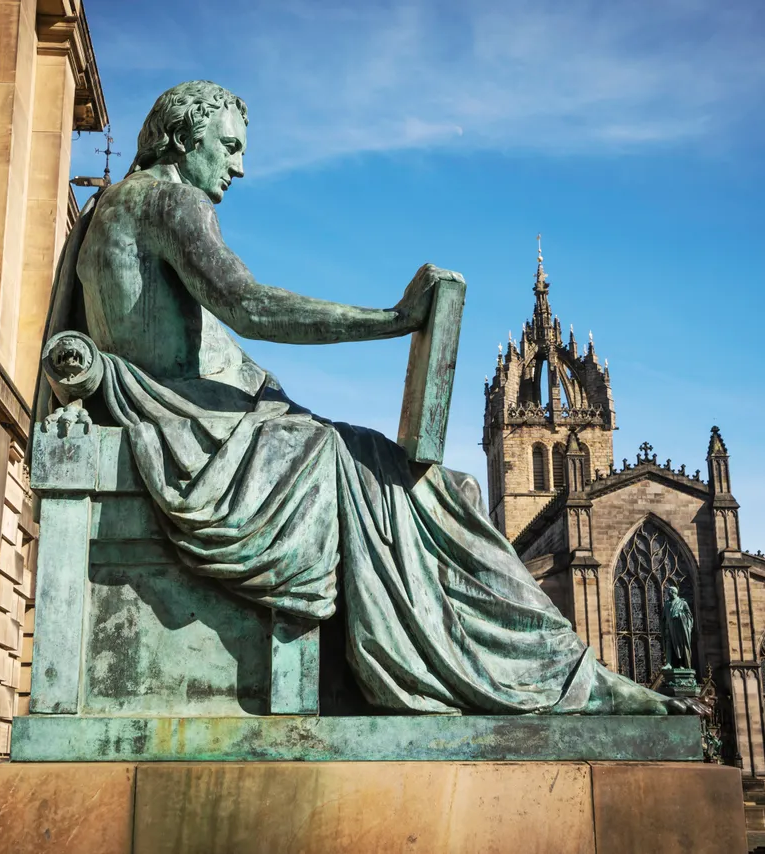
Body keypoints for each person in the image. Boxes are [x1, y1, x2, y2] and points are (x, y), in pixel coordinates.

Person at [39, 80, 698, 716]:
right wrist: (392, 319)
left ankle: (551, 671)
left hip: (177, 413)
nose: (239, 166)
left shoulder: (108, 206)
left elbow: (186, 340)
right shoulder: (170, 204)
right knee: (398, 483)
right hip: (184, 424)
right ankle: (556, 680)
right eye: (230, 146)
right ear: (185, 139)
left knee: (429, 486)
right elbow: (250, 305)